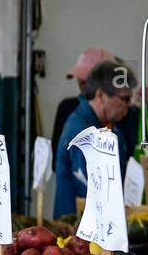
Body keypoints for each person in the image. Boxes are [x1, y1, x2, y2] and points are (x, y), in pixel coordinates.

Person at [54, 59, 136, 218]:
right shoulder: (83, 134)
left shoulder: (108, 125)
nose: (130, 105)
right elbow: (93, 193)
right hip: (77, 231)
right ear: (101, 95)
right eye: (125, 98)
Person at [51, 46, 140, 161]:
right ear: (100, 95)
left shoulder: (124, 113)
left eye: (86, 77)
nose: (82, 82)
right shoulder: (73, 113)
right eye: (79, 77)